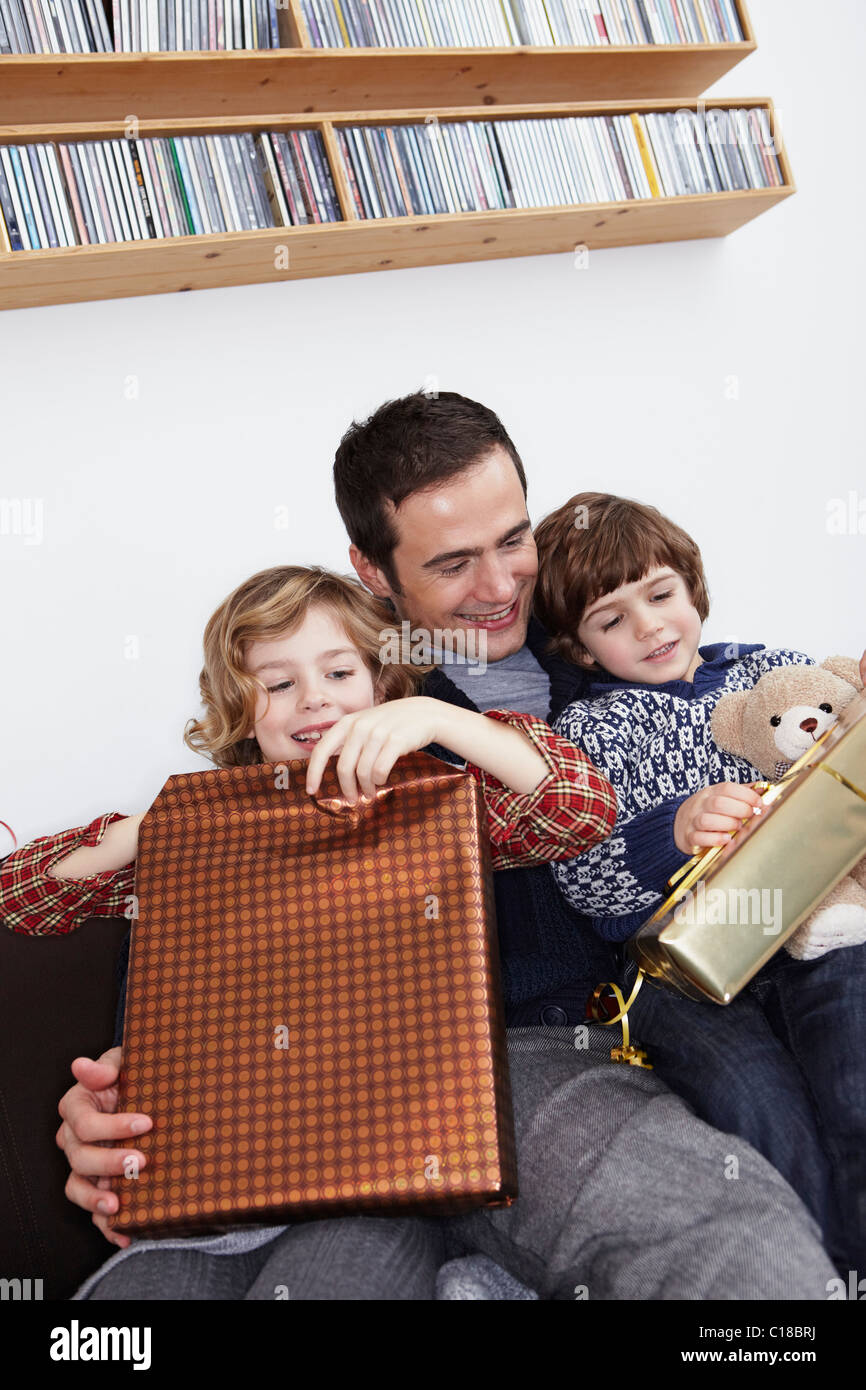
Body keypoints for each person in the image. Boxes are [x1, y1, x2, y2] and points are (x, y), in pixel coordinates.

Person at [54, 392, 839, 1299]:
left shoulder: (615, 633)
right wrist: (120, 1098)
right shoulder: (328, 694)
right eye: (455, 562)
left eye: (513, 538)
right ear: (373, 569)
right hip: (367, 1081)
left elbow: (763, 716)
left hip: (578, 1065)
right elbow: (211, 900)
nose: (503, 585)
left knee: (733, 1244)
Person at [531, 488, 866, 1274]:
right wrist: (671, 831)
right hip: (680, 969)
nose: (649, 626)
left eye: (661, 594)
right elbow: (587, 884)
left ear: (692, 587)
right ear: (580, 650)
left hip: (818, 924)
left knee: (855, 1073)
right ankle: (812, 1278)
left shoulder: (781, 670)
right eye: (611, 619)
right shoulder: (585, 735)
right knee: (755, 1109)